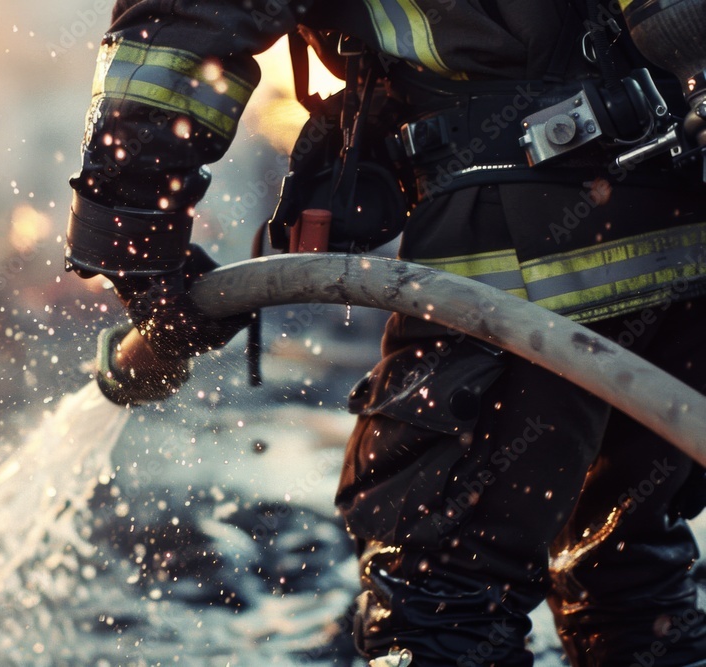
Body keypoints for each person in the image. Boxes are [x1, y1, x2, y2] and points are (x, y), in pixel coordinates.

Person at [65, 1, 706, 664]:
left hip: (516, 253)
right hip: (679, 243)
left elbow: (187, 19)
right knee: (629, 569)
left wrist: (132, 237)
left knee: (443, 597)